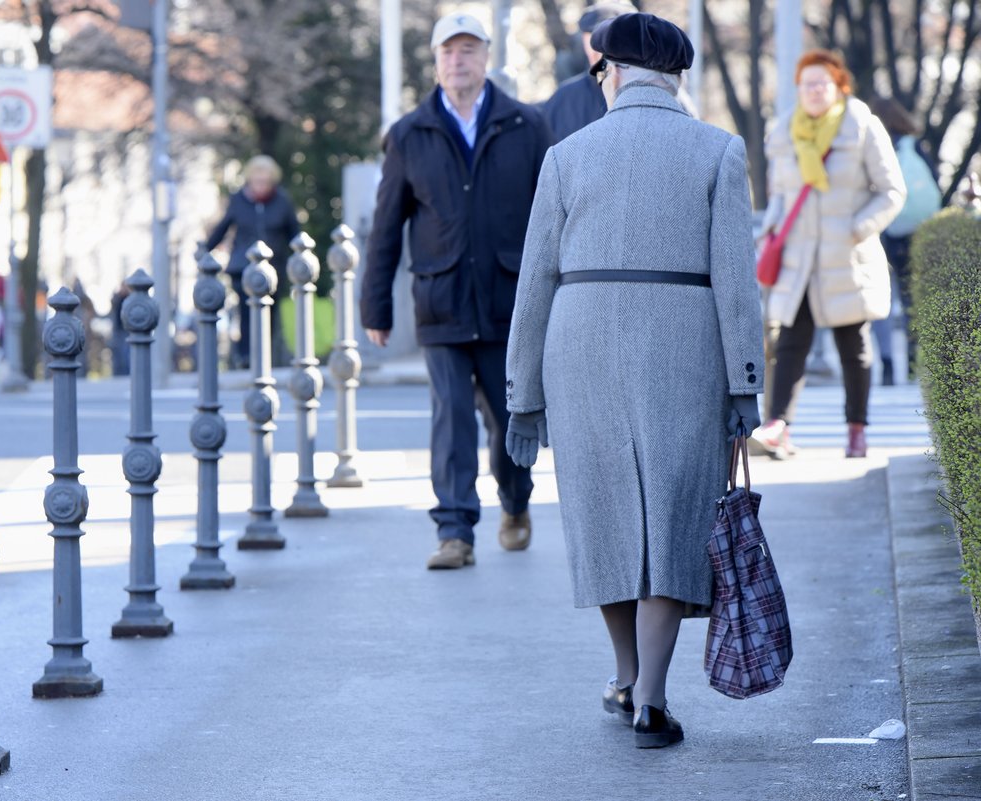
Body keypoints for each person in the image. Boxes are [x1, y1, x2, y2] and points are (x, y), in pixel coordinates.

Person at [505, 12, 764, 748]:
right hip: (685, 342)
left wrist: (523, 394)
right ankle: (650, 694)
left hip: (580, 339)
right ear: (676, 77)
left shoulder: (567, 154)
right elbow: (736, 283)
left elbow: (535, 283)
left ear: (609, 73)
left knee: (608, 515)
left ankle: (624, 673)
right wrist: (745, 383)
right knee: (674, 518)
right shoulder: (718, 150)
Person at [360, 13, 552, 570]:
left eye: (468, 50)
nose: (458, 60)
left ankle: (515, 502)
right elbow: (386, 226)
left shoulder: (527, 124)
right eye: (449, 51)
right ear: (436, 60)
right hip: (441, 300)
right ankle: (455, 531)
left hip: (507, 301)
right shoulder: (409, 133)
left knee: (509, 416)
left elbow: (555, 214)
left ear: (486, 57)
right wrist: (375, 306)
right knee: (451, 419)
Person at [752, 50, 905, 459]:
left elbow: (892, 191)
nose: (815, 91)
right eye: (807, 84)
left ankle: (857, 429)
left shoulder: (862, 127)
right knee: (790, 342)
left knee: (853, 347)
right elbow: (781, 195)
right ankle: (778, 426)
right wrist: (770, 233)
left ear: (839, 86)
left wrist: (857, 228)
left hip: (847, 254)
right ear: (797, 89)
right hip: (798, 257)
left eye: (822, 83)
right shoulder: (785, 132)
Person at [204, 155, 301, 369]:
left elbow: (294, 232)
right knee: (246, 312)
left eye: (265, 182)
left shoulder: (282, 201)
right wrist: (205, 250)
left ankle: (265, 355)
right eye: (257, 181)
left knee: (269, 313)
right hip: (242, 266)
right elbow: (223, 227)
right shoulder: (238, 200)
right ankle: (246, 356)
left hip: (274, 267)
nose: (261, 187)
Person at [869, 95, 941, 382]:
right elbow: (935, 184)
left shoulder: (873, 146)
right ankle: (913, 360)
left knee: (881, 298)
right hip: (915, 232)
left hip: (882, 231)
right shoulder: (915, 147)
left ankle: (887, 364)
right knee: (912, 297)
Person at [541, 2, 635, 141]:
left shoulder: (657, 92)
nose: (595, 51)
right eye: (589, 38)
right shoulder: (563, 100)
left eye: (604, 37)